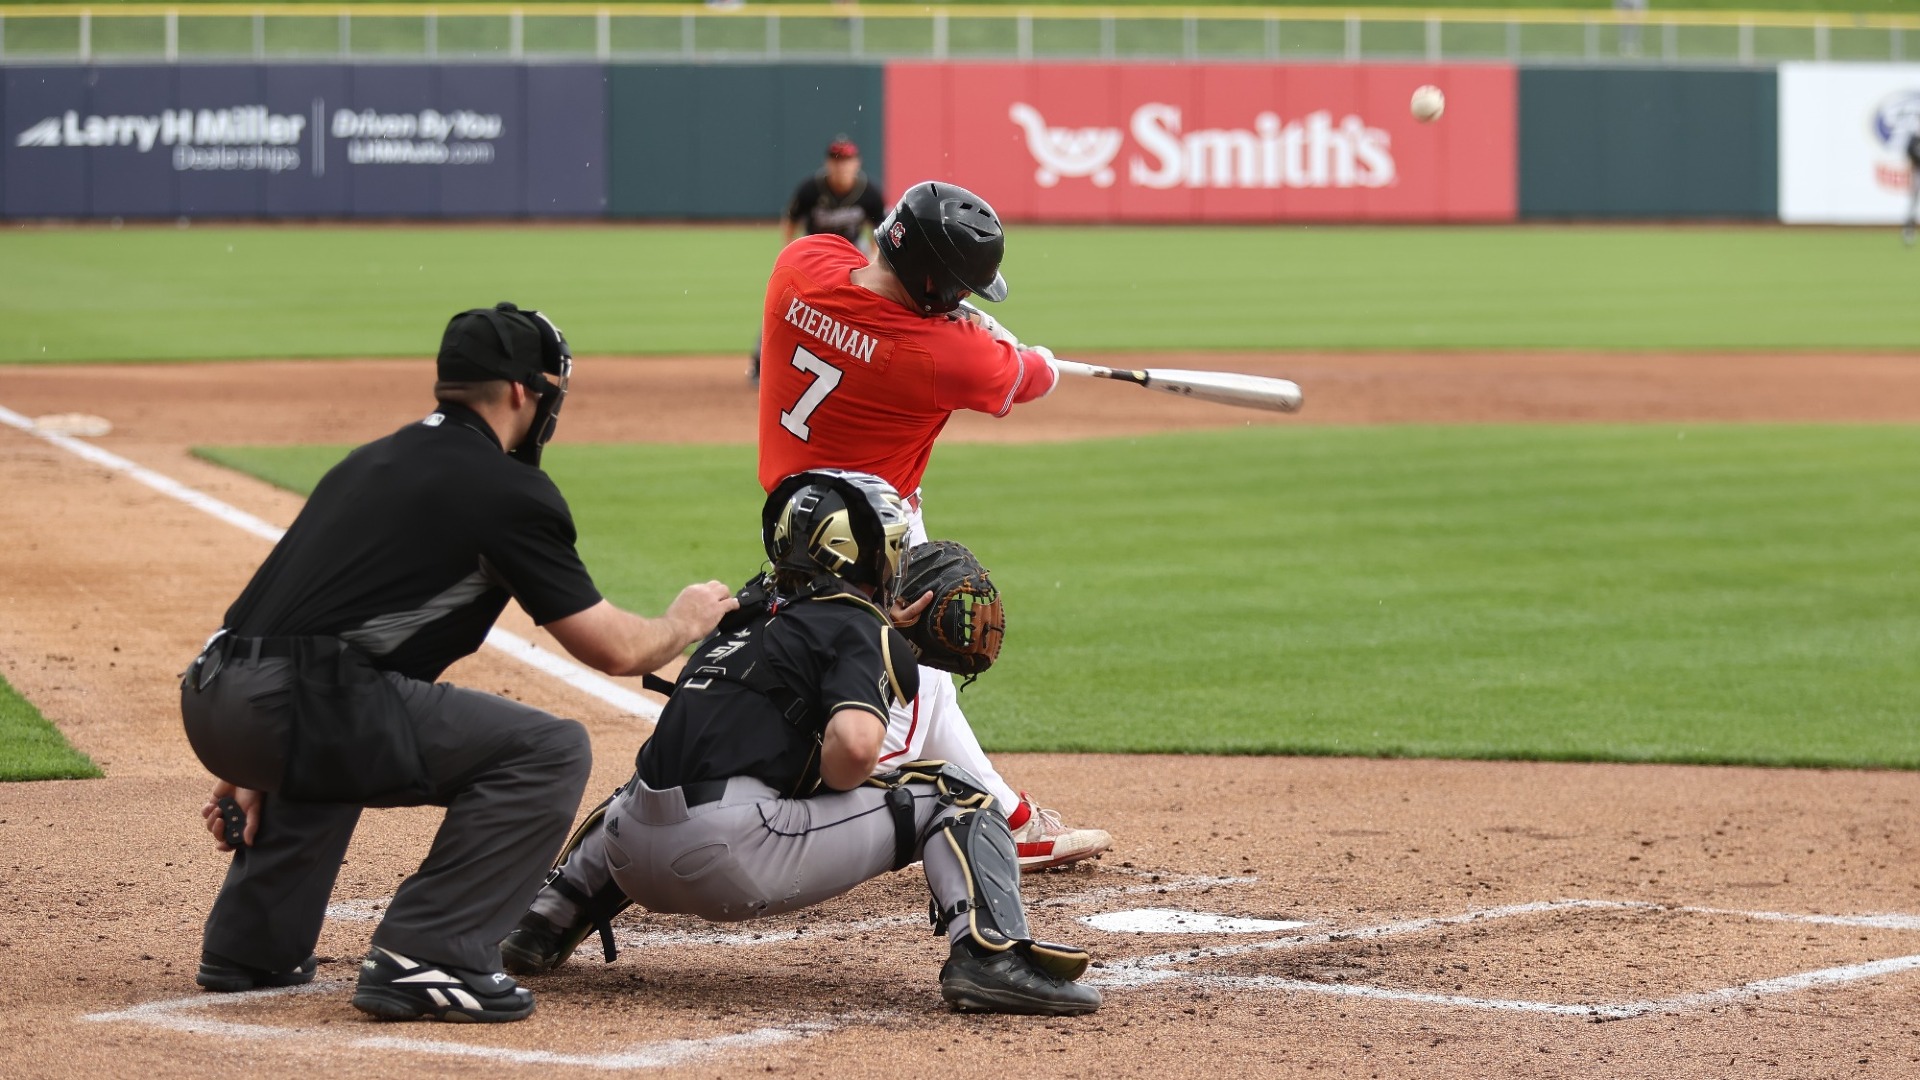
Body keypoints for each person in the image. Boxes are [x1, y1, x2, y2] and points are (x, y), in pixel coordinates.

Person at [180, 302, 737, 1023]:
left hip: (219, 691)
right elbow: (614, 649)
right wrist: (684, 620)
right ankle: (429, 955)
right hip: (290, 705)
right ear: (520, 393)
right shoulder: (506, 490)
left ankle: (251, 949)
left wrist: (260, 748)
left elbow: (295, 614)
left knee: (351, 722)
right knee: (549, 750)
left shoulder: (372, 459)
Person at [499, 470, 1103, 1016]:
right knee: (955, 792)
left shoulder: (745, 615)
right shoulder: (859, 627)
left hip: (628, 852)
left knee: (655, 782)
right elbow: (855, 752)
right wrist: (869, 678)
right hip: (731, 860)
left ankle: (545, 921)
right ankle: (988, 957)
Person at [755, 179, 1113, 873]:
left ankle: (1008, 817)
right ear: (937, 287)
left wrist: (958, 313)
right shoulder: (941, 355)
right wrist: (1013, 343)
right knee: (907, 691)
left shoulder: (798, 266)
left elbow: (864, 285)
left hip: (797, 522)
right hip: (875, 540)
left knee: (929, 684)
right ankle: (790, 814)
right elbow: (1030, 377)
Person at [747, 136, 888, 384]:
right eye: (836, 161)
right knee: (785, 298)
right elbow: (791, 219)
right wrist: (789, 249)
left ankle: (864, 364)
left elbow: (881, 230)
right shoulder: (810, 189)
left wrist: (873, 258)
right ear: (827, 164)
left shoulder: (869, 193)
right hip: (815, 251)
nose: (841, 166)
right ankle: (760, 361)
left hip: (851, 251)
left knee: (867, 303)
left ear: (857, 163)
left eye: (847, 160)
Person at [1904, 130, 1920, 248]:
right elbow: (1910, 154)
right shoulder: (1914, 138)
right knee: (1913, 204)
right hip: (1917, 173)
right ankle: (1909, 232)